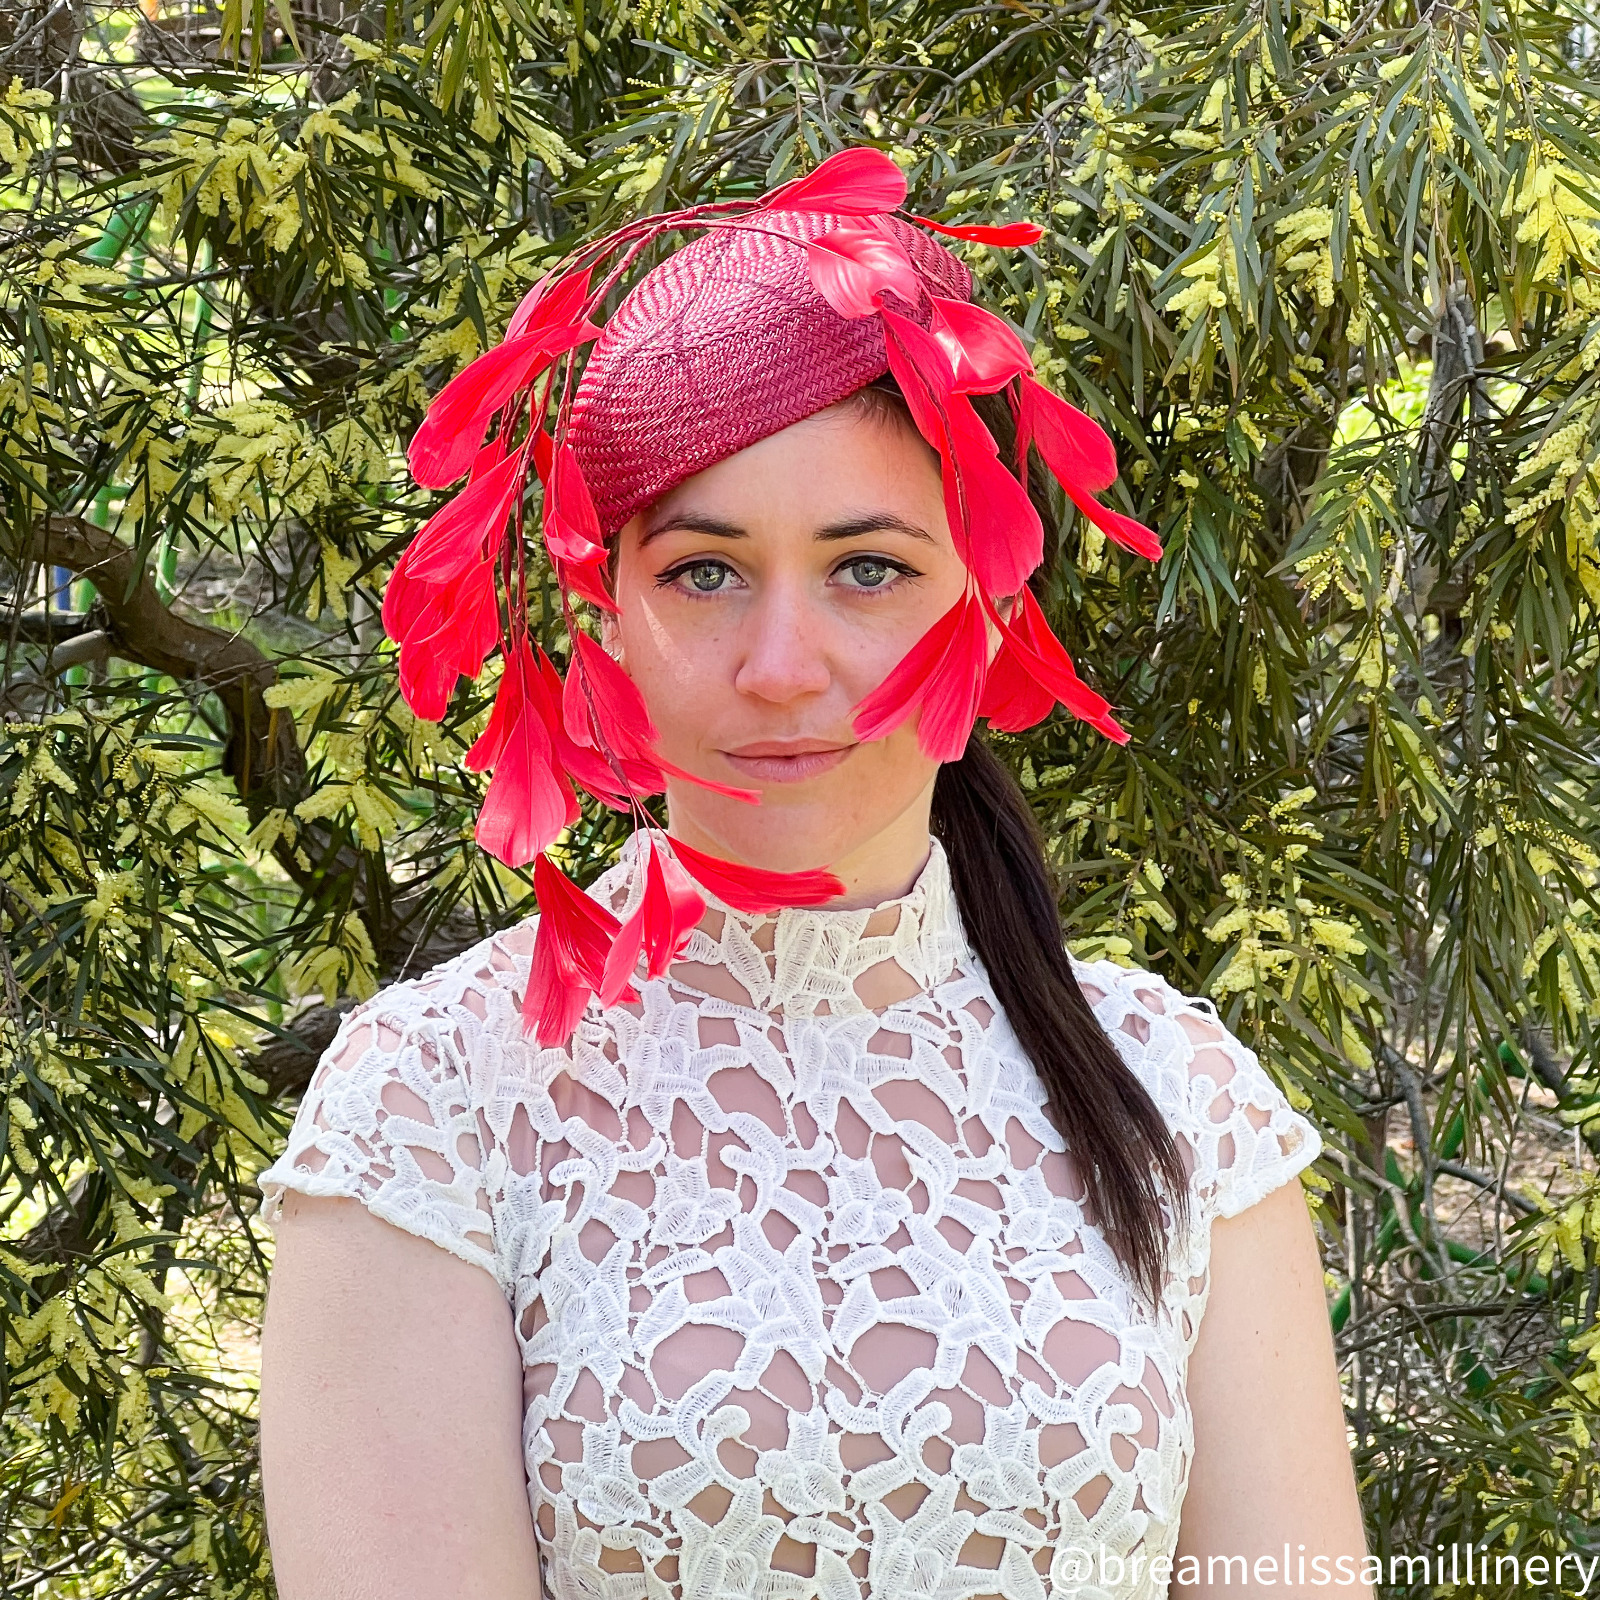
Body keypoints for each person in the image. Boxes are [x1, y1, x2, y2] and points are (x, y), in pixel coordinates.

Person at [256, 152, 1375, 1600]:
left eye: (869, 571)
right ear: (599, 610)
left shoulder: (1180, 1102)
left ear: (987, 604)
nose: (783, 670)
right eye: (705, 572)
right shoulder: (435, 1109)